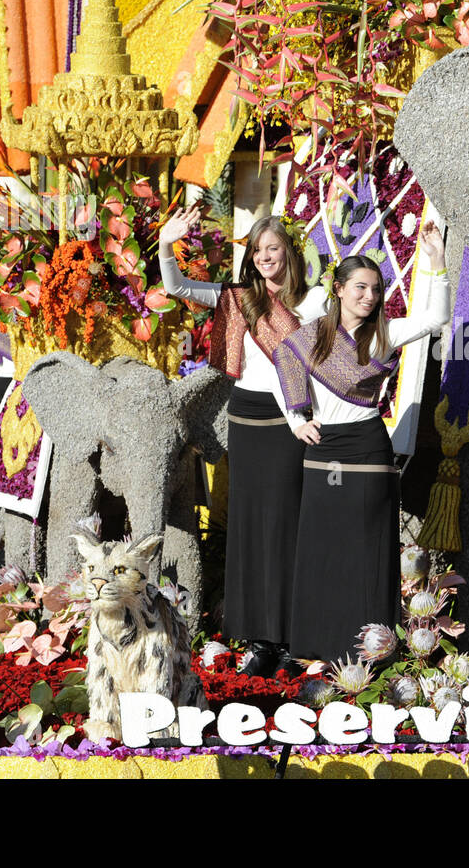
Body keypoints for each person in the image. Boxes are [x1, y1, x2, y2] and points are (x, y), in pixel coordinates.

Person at [158, 209, 328, 677]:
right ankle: (259, 640)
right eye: (258, 250)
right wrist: (166, 244)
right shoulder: (238, 298)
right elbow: (177, 288)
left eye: (273, 248)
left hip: (292, 423)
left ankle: (296, 637)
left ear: (289, 252)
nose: (265, 256)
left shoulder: (314, 301)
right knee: (251, 528)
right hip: (247, 419)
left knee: (288, 525)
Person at [274, 228, 449, 664]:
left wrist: (437, 261)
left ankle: (373, 651)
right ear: (338, 289)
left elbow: (435, 319)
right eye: (360, 288)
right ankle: (316, 648)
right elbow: (283, 357)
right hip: (321, 450)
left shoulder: (385, 334)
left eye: (376, 289)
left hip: (369, 451)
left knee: (368, 551)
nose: (369, 297)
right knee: (321, 549)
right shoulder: (311, 335)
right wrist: (296, 421)